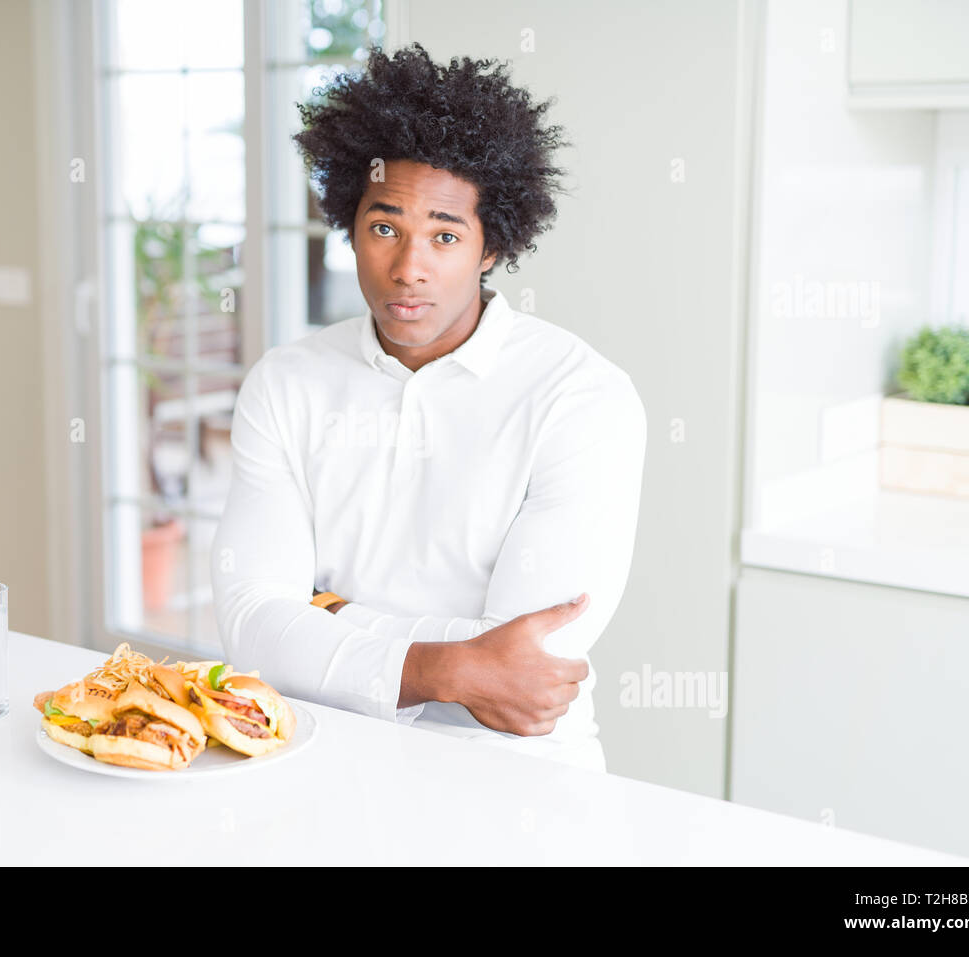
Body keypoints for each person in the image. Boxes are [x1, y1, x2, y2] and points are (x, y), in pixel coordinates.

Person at [210, 43, 647, 773]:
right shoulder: (285, 384)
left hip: (516, 778)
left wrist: (329, 612)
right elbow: (253, 627)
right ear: (349, 227)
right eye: (385, 227)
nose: (409, 266)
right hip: (320, 761)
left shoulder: (582, 396)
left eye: (445, 235)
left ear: (491, 247)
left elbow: (532, 658)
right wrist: (449, 666)